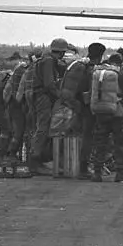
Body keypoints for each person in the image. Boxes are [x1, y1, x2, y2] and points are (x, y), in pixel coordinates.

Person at [88, 53, 123, 182]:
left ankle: (97, 173)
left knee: (101, 142)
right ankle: (120, 172)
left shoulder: (97, 73)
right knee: (119, 142)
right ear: (121, 62)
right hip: (117, 112)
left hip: (100, 111)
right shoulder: (122, 74)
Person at [27, 38, 75, 174]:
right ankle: (35, 162)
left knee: (44, 127)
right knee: (43, 127)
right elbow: (49, 84)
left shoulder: (47, 59)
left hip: (41, 95)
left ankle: (39, 159)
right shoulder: (48, 61)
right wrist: (60, 95)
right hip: (43, 96)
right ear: (61, 52)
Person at [59, 42, 106, 176]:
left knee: (72, 135)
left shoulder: (77, 64)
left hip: (72, 105)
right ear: (100, 55)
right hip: (80, 107)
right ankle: (82, 169)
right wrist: (78, 107)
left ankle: (68, 165)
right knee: (86, 136)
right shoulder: (85, 67)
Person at [3, 59, 29, 164]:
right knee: (19, 130)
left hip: (11, 104)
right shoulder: (24, 71)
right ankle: (11, 154)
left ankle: (10, 153)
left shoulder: (16, 71)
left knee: (15, 130)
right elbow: (21, 91)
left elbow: (8, 91)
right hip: (18, 104)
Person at [16, 50, 40, 161]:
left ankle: (26, 158)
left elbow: (20, 91)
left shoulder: (26, 70)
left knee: (28, 132)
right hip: (32, 104)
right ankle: (32, 159)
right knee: (33, 130)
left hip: (25, 104)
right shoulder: (36, 69)